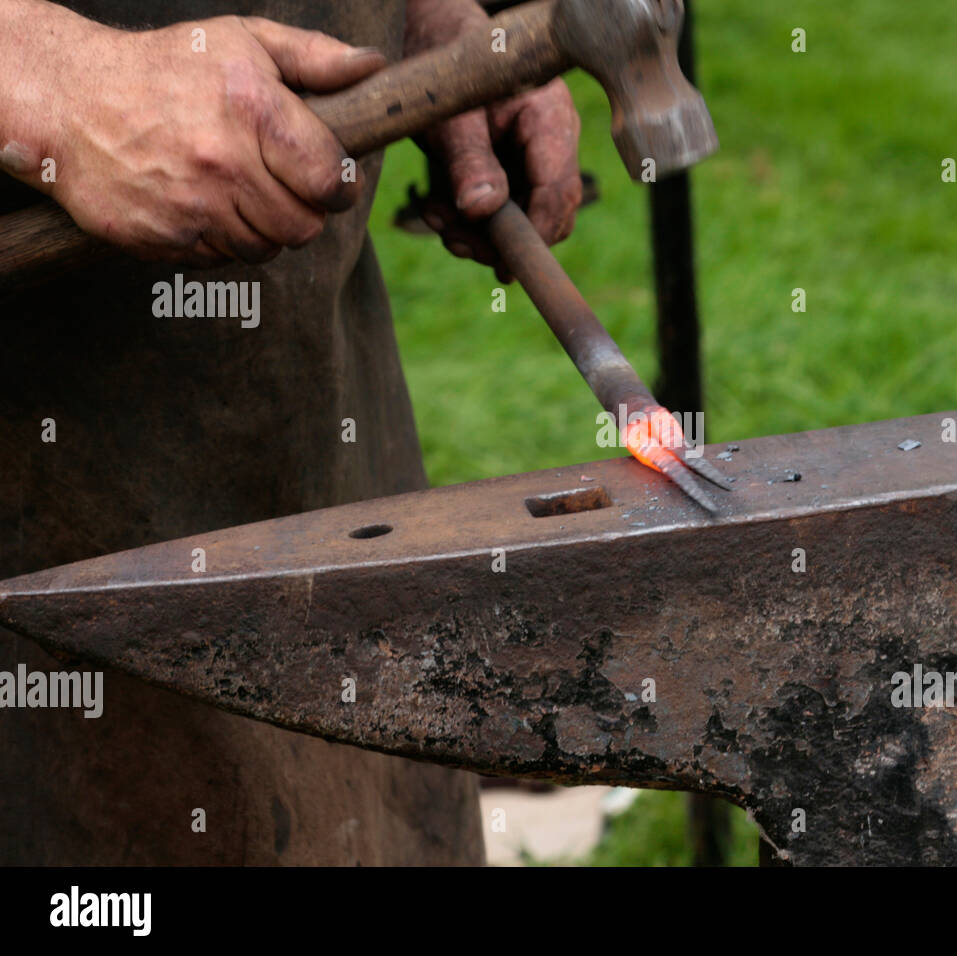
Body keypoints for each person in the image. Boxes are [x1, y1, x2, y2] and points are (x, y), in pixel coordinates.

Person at [0, 0, 583, 864]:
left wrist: (417, 23)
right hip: (38, 430)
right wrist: (43, 80)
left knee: (371, 806)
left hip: (305, 389)